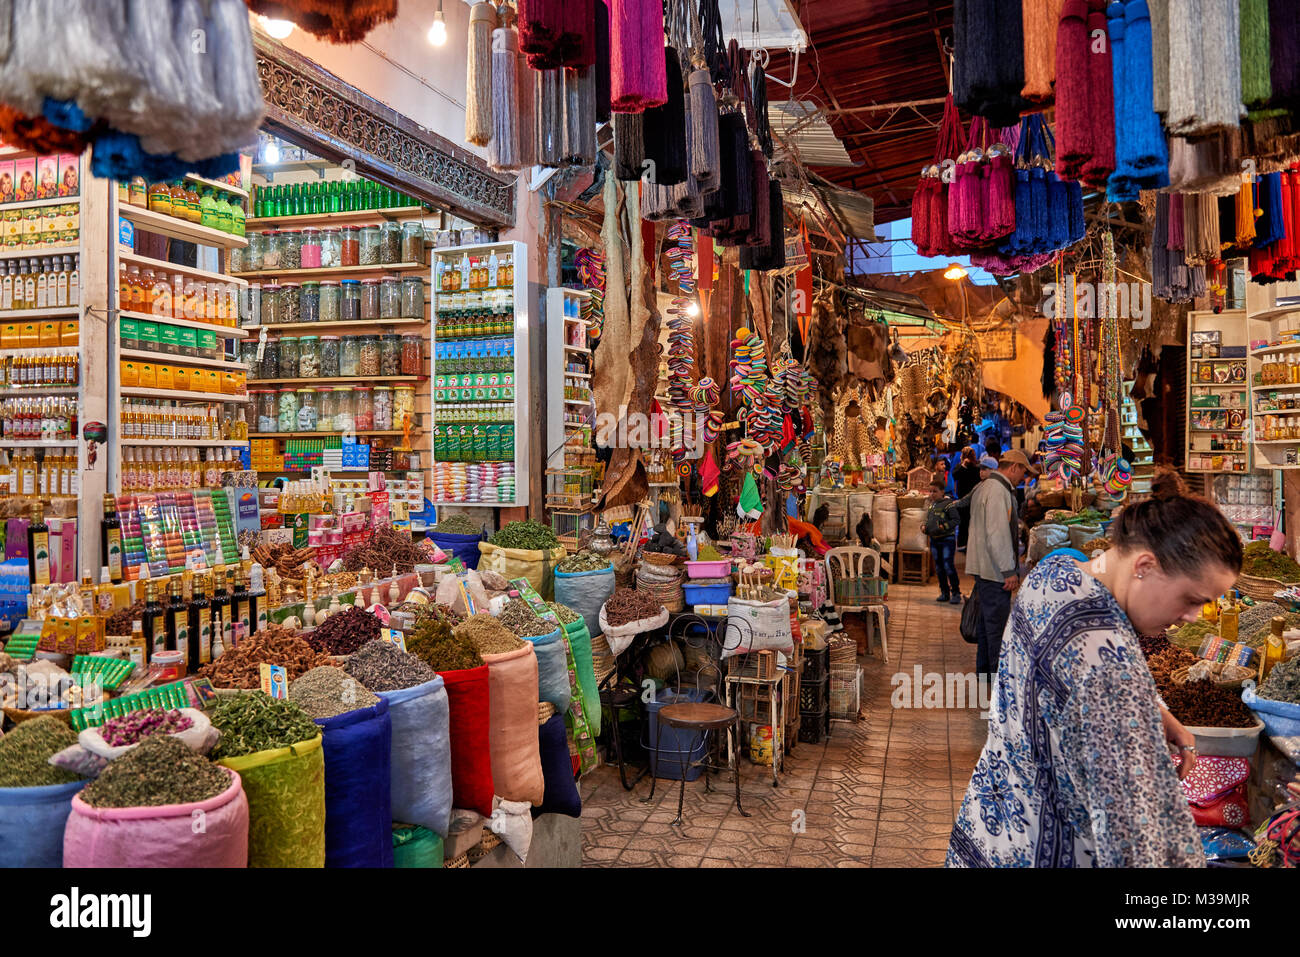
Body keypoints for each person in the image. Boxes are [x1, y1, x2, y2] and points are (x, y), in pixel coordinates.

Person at [948, 471, 1242, 867]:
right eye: (1191, 599)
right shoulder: (1112, 670)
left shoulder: (1053, 575)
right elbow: (1132, 834)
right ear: (1145, 565)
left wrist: (1153, 710)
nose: (1192, 617)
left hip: (991, 823)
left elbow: (1069, 683)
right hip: (1046, 852)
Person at [964, 449, 1038, 679]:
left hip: (985, 566)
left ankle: (985, 672)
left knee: (988, 626)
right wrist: (1008, 571)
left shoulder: (987, 487)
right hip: (994, 570)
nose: (1022, 477)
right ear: (1014, 467)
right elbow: (997, 534)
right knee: (996, 628)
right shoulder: (997, 491)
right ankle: (997, 677)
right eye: (1023, 471)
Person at [924, 478, 961, 604]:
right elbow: (929, 520)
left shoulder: (948, 504)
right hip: (935, 540)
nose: (932, 494)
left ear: (942, 492)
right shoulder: (932, 506)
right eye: (930, 491)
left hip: (947, 540)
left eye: (934, 491)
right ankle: (944, 592)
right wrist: (924, 527)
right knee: (939, 568)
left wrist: (943, 526)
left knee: (948, 565)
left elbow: (956, 520)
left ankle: (955, 592)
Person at [952, 447, 982, 550]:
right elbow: (955, 475)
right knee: (963, 522)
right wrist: (964, 465)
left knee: (973, 521)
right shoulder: (960, 467)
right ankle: (962, 544)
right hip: (962, 498)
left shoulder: (977, 467)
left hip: (975, 498)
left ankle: (972, 543)